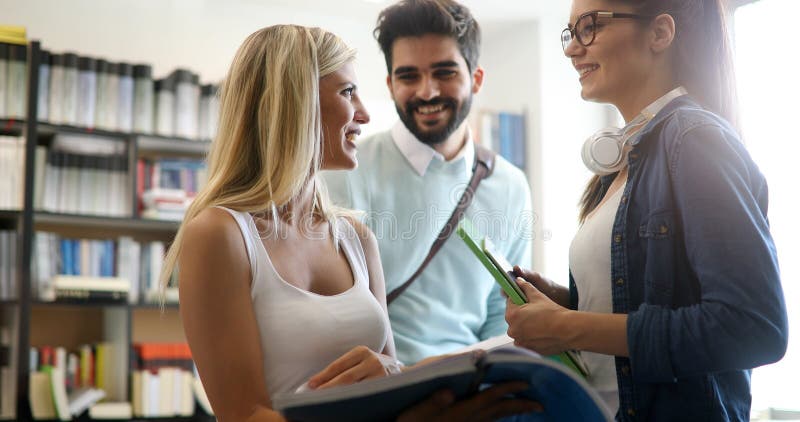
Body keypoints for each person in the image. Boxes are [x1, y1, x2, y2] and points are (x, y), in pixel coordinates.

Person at [161, 25, 536, 422]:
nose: (365, 113)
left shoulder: (355, 239)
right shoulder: (220, 234)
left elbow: (391, 387)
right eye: (347, 92)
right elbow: (244, 416)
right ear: (295, 102)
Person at [504, 0, 788, 421]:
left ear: (660, 33)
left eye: (589, 26)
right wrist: (567, 304)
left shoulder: (695, 140)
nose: (571, 49)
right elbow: (646, 301)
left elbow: (753, 326)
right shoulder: (627, 157)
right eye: (570, 32)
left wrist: (565, 327)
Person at [324, 0, 533, 366]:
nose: (427, 91)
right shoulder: (346, 170)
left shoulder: (511, 186)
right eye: (408, 76)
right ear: (390, 85)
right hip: (373, 386)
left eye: (444, 72)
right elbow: (336, 312)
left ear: (476, 79)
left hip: (471, 388)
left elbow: (501, 320)